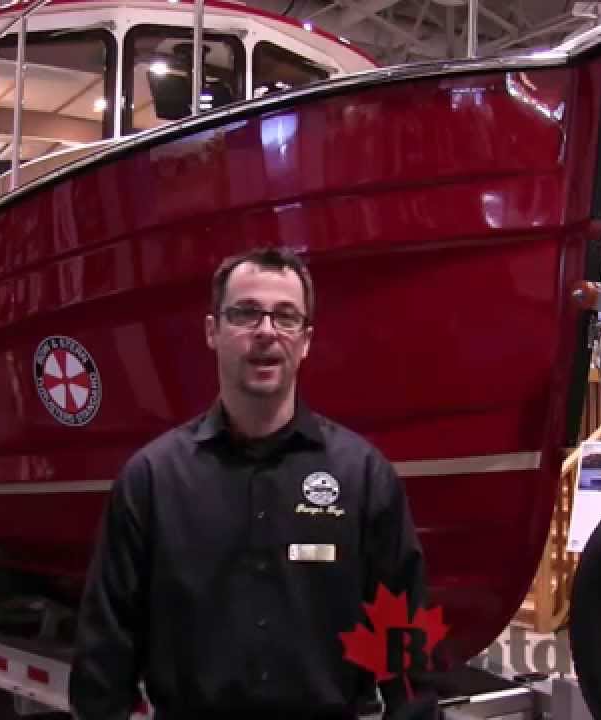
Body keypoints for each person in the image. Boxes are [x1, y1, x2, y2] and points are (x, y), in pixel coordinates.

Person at [69, 247, 437, 720]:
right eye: (245, 313)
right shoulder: (151, 482)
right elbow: (102, 665)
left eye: (286, 317)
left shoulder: (364, 478)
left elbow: (407, 655)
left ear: (305, 341)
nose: (266, 331)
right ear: (212, 331)